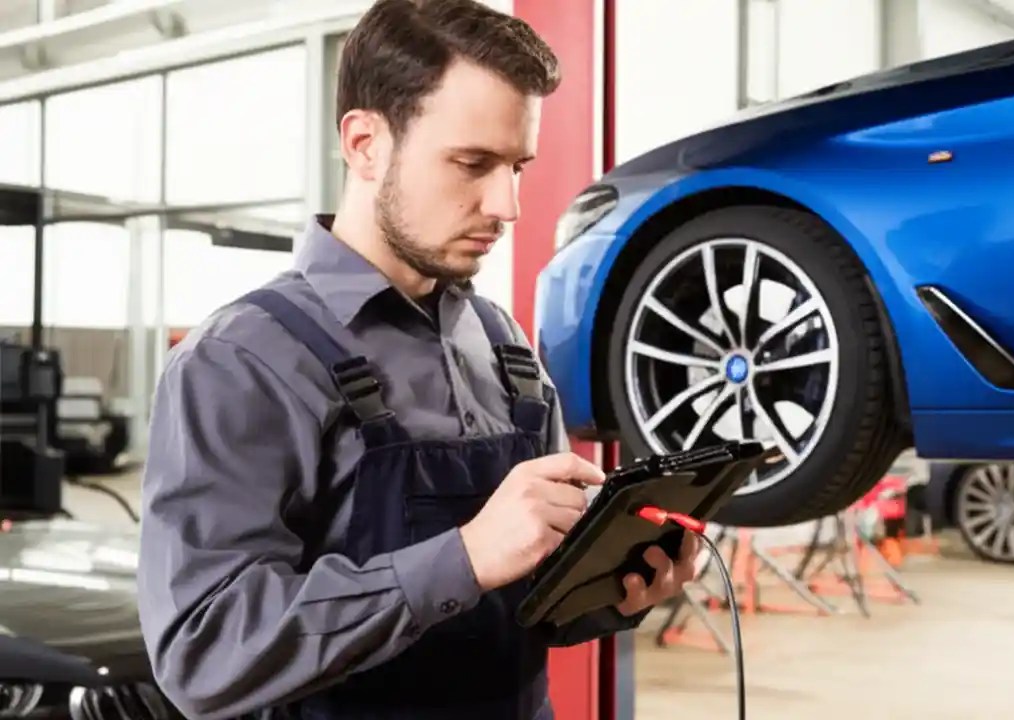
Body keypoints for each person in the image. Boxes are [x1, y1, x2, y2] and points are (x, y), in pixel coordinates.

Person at [135, 1, 699, 717]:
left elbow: (529, 607)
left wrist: (615, 586)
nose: (507, 205)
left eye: (517, 166)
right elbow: (203, 653)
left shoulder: (502, 342)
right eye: (473, 164)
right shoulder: (242, 360)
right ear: (365, 143)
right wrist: (462, 557)